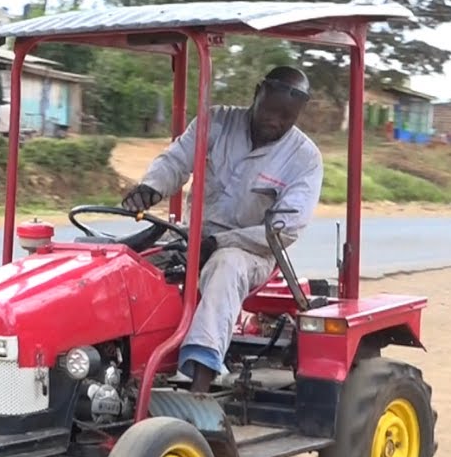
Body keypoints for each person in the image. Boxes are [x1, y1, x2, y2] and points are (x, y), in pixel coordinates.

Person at [121, 66, 324, 395]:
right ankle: (126, 368)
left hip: (251, 251)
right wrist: (150, 189)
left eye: (286, 116)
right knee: (128, 265)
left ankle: (200, 384)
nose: (275, 120)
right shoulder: (216, 122)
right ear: (257, 92)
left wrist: (218, 242)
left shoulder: (305, 158)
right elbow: (175, 161)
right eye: (270, 110)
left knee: (225, 265)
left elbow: (283, 230)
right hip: (191, 237)